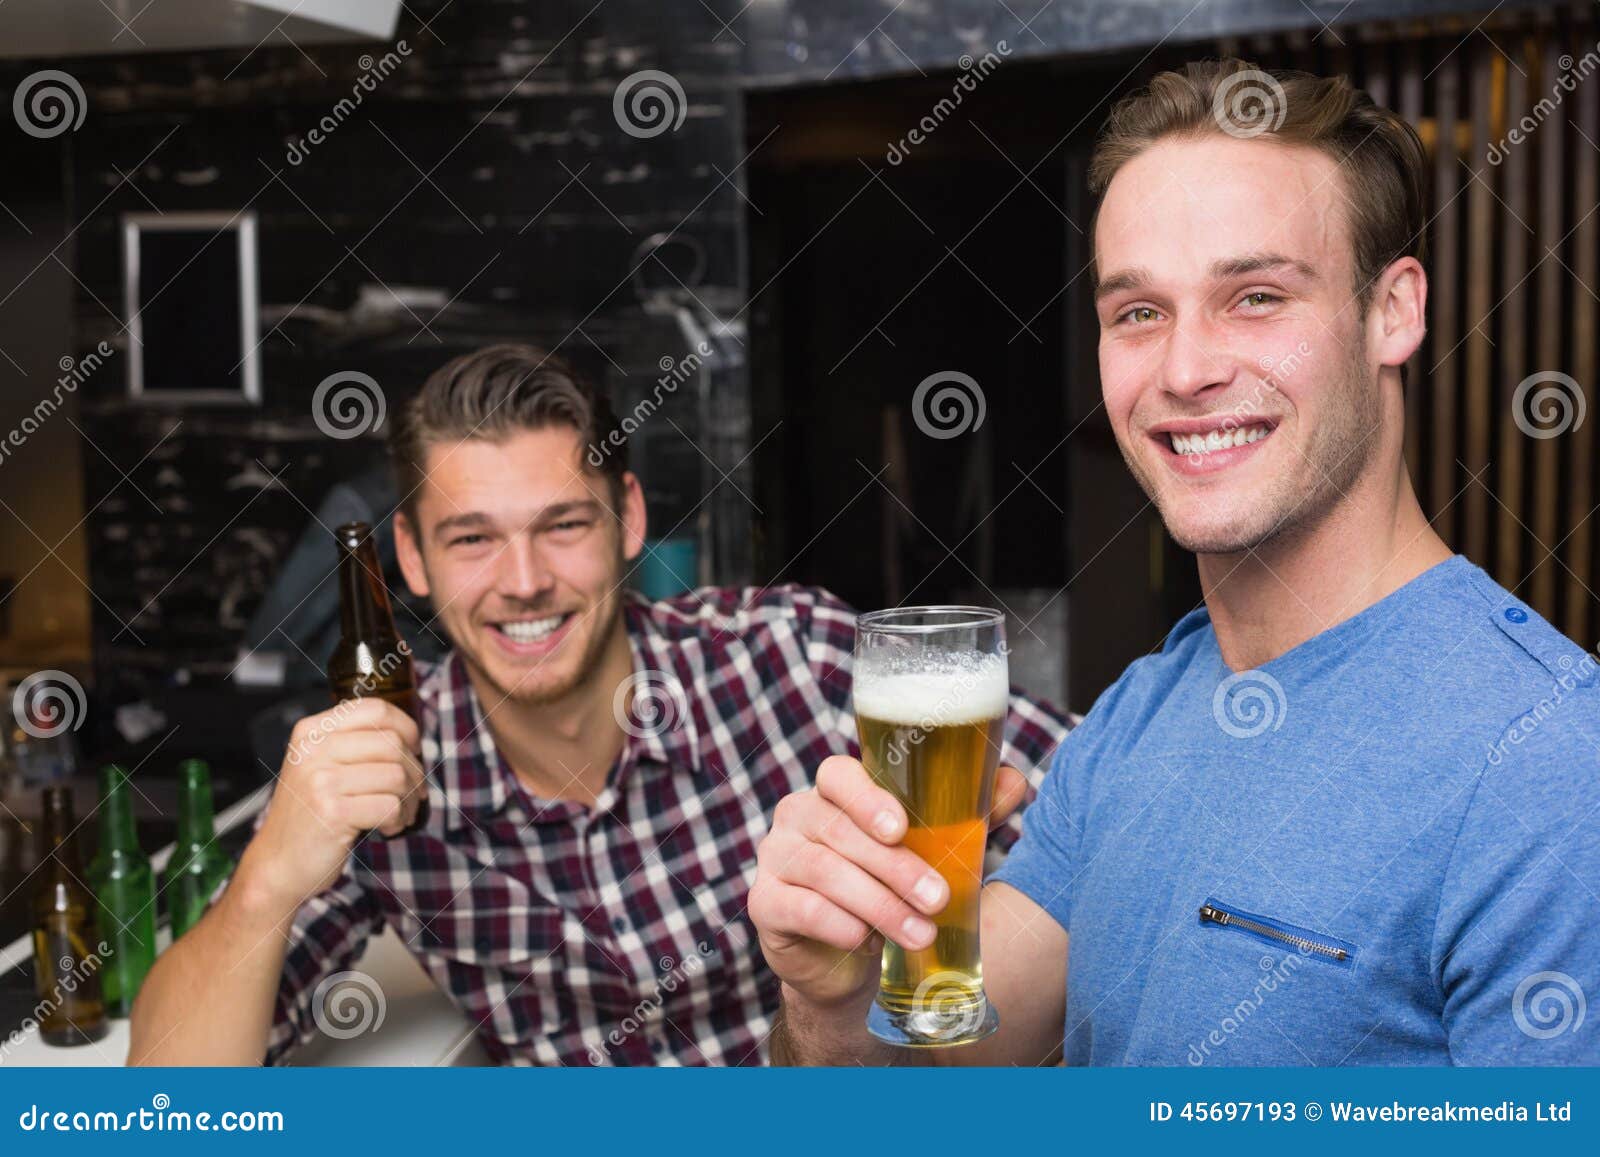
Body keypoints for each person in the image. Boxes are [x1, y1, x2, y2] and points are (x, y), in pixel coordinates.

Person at [751, 59, 1600, 1066]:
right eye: (1138, 312)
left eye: (1255, 295)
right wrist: (828, 996)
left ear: (1393, 311)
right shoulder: (1131, 718)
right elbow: (939, 1078)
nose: (1186, 369)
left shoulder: (1546, 765)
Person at [127, 343, 1069, 1066]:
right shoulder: (393, 778)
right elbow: (169, 1099)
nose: (525, 581)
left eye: (563, 524)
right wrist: (265, 879)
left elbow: (1097, 789)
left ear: (627, 517)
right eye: (472, 540)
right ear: (409, 558)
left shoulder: (788, 654)